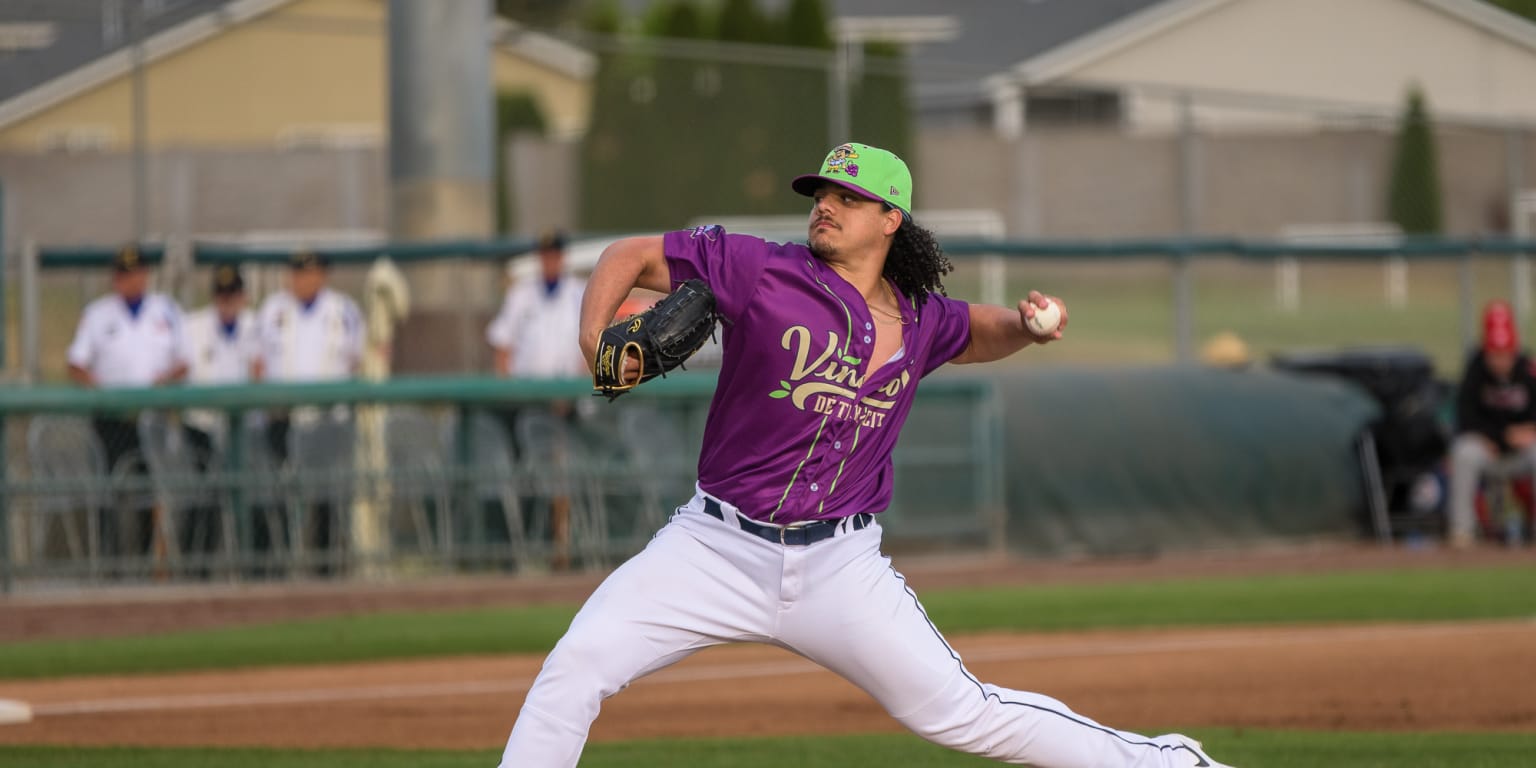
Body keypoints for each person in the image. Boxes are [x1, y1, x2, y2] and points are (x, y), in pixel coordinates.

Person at [496, 143, 1232, 768]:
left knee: (964, 713)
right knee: (577, 665)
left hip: (839, 569)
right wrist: (595, 341)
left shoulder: (919, 317)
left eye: (848, 195)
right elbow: (628, 255)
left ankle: (1169, 762)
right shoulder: (759, 268)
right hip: (714, 545)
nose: (826, 203)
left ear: (890, 218)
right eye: (821, 191)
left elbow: (978, 330)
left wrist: (1027, 328)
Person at [65, 244, 188, 561]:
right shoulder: (98, 313)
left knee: (152, 491)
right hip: (113, 418)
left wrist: (165, 380)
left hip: (154, 418)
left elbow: (184, 361)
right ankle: (111, 562)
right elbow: (76, 363)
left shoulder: (166, 309)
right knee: (109, 493)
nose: (129, 280)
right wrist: (100, 390)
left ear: (146, 275)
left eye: (135, 274)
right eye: (123, 274)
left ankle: (147, 562)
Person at [255, 250, 364, 573]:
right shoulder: (273, 309)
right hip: (282, 416)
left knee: (328, 498)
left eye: (310, 272)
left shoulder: (344, 309)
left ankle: (325, 570)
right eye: (297, 273)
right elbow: (258, 365)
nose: (303, 279)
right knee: (276, 495)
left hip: (328, 420)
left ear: (322, 275)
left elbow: (360, 362)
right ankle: (273, 570)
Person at [485, 229, 588, 568]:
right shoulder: (522, 295)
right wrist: (510, 392)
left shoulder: (578, 293)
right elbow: (502, 347)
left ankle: (563, 550)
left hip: (568, 403)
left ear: (563, 257)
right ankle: (529, 551)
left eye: (555, 254)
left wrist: (574, 390)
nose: (550, 260)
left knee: (565, 475)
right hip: (527, 401)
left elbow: (591, 348)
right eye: (545, 254)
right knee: (528, 477)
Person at [181, 264, 263, 569]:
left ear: (244, 297)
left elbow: (263, 372)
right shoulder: (193, 326)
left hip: (246, 432)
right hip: (202, 427)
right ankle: (195, 572)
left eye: (233, 294)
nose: (227, 301)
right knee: (204, 500)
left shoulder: (258, 326)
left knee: (259, 497)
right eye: (222, 294)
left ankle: (260, 571)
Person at [1447, 300, 1536, 548]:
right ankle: (1462, 532)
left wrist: (1529, 430)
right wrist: (1497, 436)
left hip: (1521, 452)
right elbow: (1465, 417)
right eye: (1494, 354)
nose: (1499, 361)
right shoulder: (1474, 370)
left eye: (1505, 354)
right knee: (1464, 452)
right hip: (1486, 450)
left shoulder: (1528, 370)